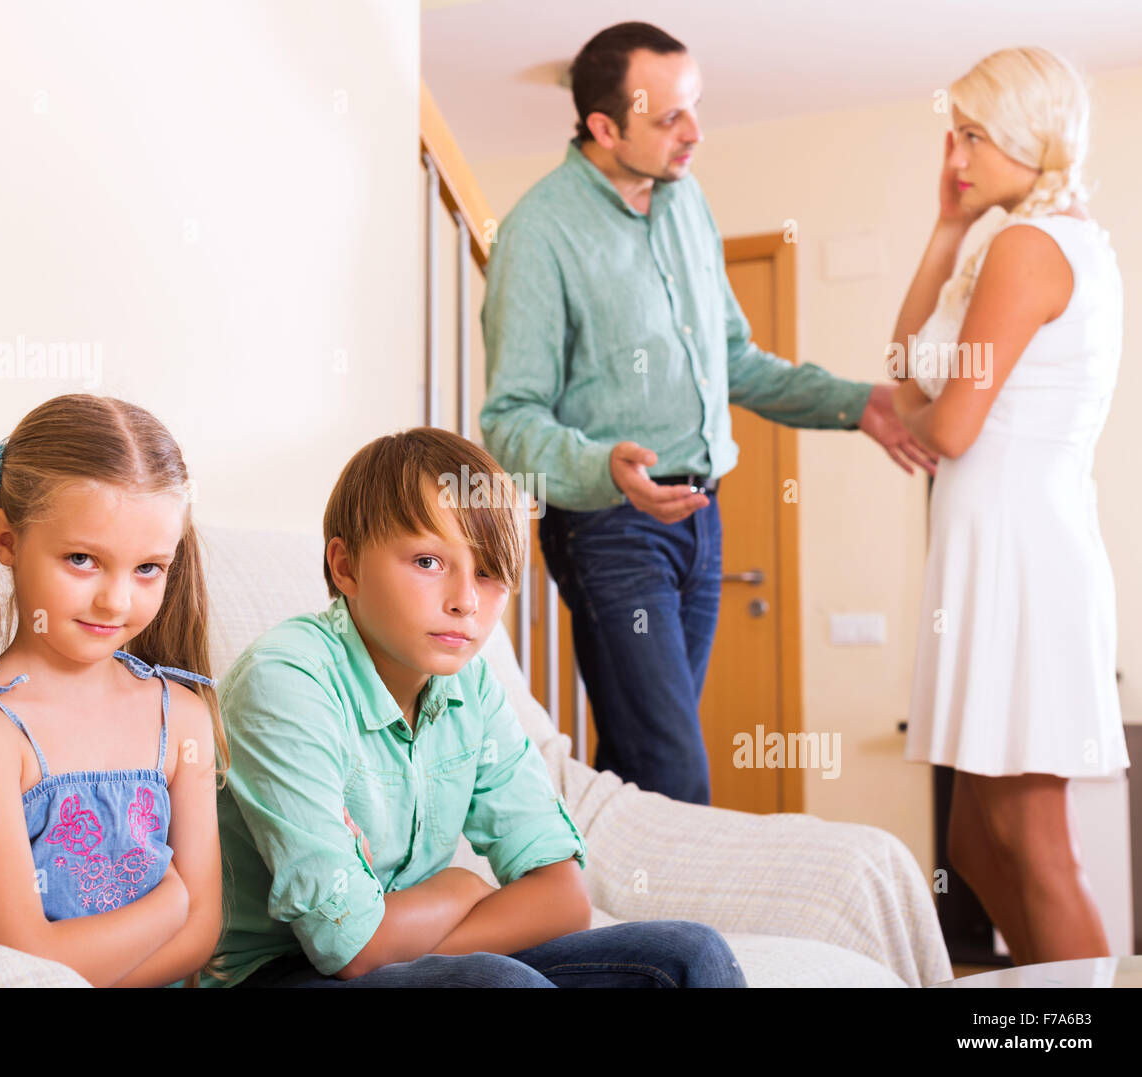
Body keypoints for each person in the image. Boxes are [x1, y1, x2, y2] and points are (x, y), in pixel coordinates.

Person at [480, 21, 936, 806]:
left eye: (696, 108)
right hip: (611, 528)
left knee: (638, 758)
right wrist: (602, 467)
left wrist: (858, 402)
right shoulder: (540, 232)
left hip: (701, 522)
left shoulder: (687, 204)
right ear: (603, 126)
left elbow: (737, 359)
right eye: (669, 118)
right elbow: (509, 419)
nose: (695, 133)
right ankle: (682, 934)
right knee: (674, 771)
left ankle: (606, 924)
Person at [202, 427, 746, 987]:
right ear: (345, 568)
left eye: (488, 573)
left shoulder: (471, 684)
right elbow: (348, 947)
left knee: (690, 953)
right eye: (428, 562)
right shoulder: (286, 681)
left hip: (406, 950)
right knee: (498, 983)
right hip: (271, 973)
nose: (465, 600)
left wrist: (402, 936)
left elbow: (563, 899)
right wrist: (458, 888)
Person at [0, 394, 228, 988]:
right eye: (82, 559)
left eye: (148, 568)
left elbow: (201, 935)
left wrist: (179, 917)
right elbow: (25, 965)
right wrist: (170, 904)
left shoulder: (180, 718)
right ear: (6, 540)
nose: (116, 600)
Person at [894, 47, 1129, 964]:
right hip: (990, 549)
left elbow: (945, 423)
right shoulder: (1006, 240)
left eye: (977, 136)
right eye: (952, 134)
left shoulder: (1034, 247)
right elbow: (906, 357)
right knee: (970, 843)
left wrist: (914, 409)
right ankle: (1049, 1001)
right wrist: (946, 227)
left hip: (1022, 554)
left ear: (1034, 138)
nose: (955, 155)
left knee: (1035, 843)